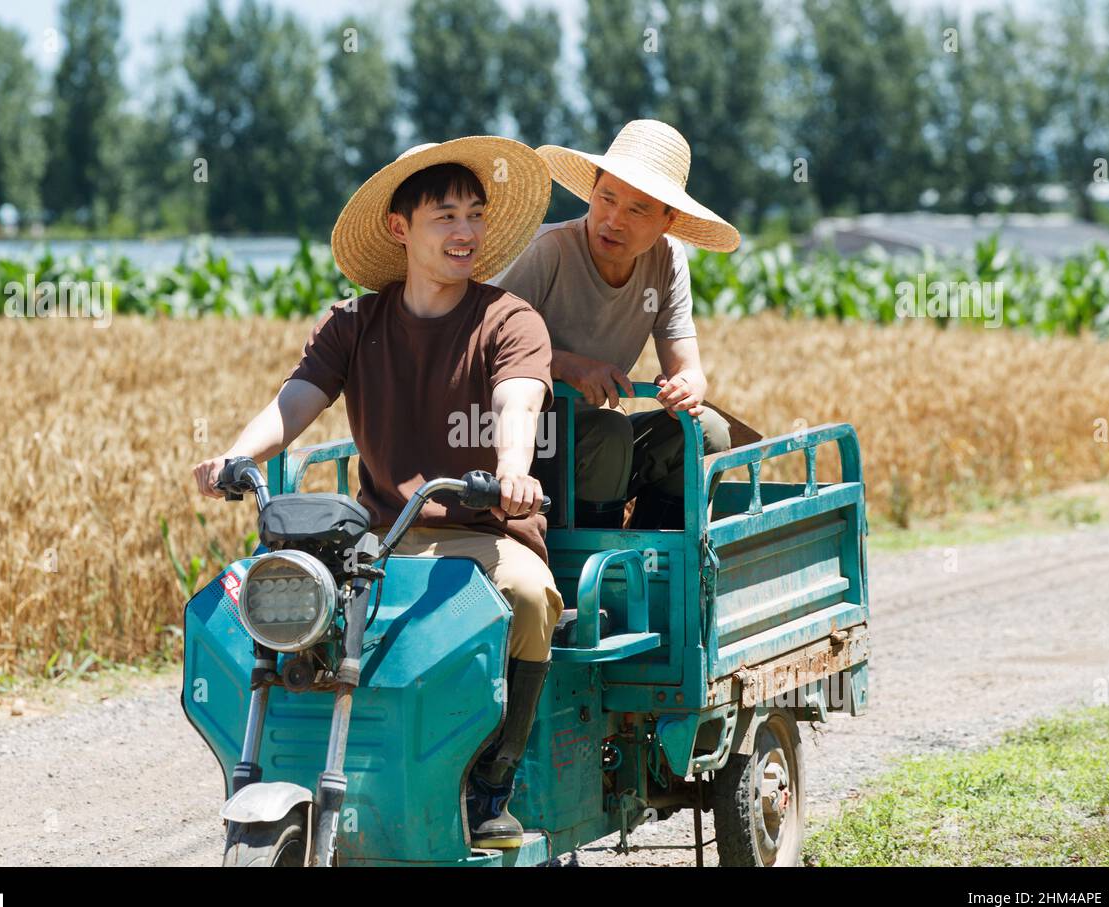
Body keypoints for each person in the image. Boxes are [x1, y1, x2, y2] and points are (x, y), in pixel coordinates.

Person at [192, 136, 562, 851]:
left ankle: (493, 782)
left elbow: (518, 404)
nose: (464, 233)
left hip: (477, 533)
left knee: (528, 596)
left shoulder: (508, 319)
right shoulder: (353, 324)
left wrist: (514, 473)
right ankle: (278, 764)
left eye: (475, 216)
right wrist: (235, 455)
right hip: (379, 536)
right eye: (445, 216)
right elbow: (294, 404)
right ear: (401, 228)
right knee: (259, 600)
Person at [494, 119, 760, 529]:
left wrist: (687, 389)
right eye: (606, 199)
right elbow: (485, 349)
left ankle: (657, 568)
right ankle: (589, 563)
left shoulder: (668, 260)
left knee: (708, 429)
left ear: (667, 221)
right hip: (522, 439)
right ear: (591, 192)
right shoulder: (549, 252)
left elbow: (687, 368)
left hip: (597, 444)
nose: (614, 220)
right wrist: (566, 365)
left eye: (637, 209)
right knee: (609, 430)